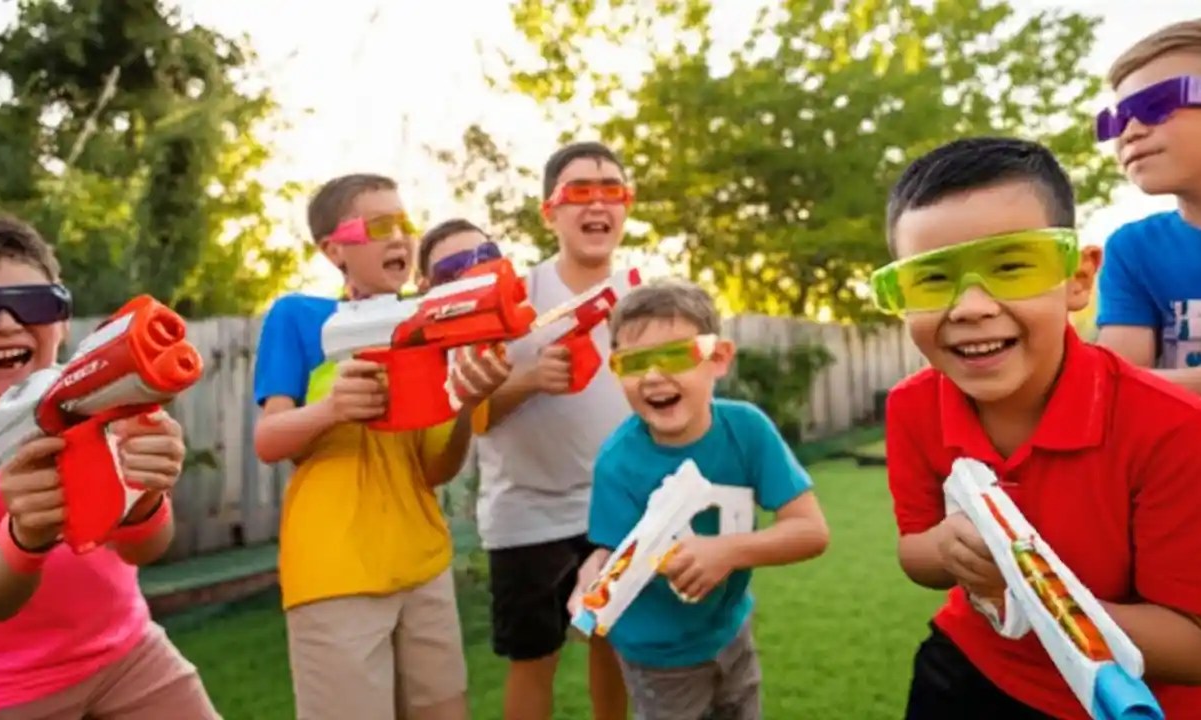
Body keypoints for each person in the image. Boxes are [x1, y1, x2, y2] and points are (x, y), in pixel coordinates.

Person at [879, 136, 1201, 719]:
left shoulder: (1181, 430)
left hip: (1140, 699)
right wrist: (945, 548)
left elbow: (1198, 650)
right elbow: (914, 550)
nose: (970, 305)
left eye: (1011, 267)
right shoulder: (912, 406)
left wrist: (1028, 595)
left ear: (1078, 279)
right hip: (977, 660)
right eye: (931, 280)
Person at [252, 174, 512, 720]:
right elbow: (268, 439)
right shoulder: (298, 317)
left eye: (403, 224)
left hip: (423, 561)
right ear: (334, 250)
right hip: (334, 569)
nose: (399, 237)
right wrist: (330, 409)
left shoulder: (429, 328)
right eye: (378, 225)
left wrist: (465, 402)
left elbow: (437, 469)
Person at [0, 215, 218, 718]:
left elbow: (145, 547)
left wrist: (146, 497)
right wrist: (28, 538)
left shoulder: (95, 404)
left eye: (33, 304)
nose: (4, 324)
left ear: (62, 322)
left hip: (128, 650)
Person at [569, 279, 829, 720]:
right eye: (633, 362)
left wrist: (726, 551)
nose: (653, 376)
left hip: (730, 631)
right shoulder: (617, 462)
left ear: (719, 358)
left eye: (674, 355)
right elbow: (610, 554)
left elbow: (811, 531)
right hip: (658, 655)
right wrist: (587, 580)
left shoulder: (747, 430)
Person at [475, 141, 635, 720]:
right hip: (527, 515)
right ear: (550, 211)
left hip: (618, 512)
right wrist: (528, 379)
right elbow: (468, 412)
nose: (598, 205)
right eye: (580, 193)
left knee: (614, 649)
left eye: (612, 191)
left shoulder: (640, 300)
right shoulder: (514, 299)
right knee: (533, 660)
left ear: (627, 207)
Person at [1093, 17, 1201, 454]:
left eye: (1157, 104)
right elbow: (1112, 389)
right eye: (1115, 119)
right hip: (1193, 508)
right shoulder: (1134, 250)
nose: (1129, 131)